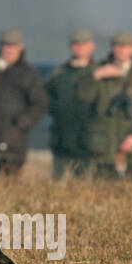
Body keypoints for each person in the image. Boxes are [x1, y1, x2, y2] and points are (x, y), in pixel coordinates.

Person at [76, 31, 132, 180]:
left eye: (126, 47)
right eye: (118, 46)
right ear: (112, 48)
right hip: (102, 144)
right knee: (100, 188)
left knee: (130, 189)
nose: (121, 50)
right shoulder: (97, 69)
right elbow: (82, 97)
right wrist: (96, 77)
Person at [0, 28, 47, 176]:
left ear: (20, 48)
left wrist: (22, 123)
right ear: (0, 46)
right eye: (6, 46)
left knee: (10, 183)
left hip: (14, 141)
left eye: (13, 46)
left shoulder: (28, 73)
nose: (9, 50)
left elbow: (40, 104)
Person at [44, 29, 98, 179]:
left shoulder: (100, 73)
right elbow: (43, 98)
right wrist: (56, 109)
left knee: (87, 186)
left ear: (92, 46)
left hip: (89, 141)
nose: (80, 47)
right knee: (58, 185)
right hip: (62, 139)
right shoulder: (58, 74)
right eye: (76, 44)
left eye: (84, 44)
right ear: (71, 46)